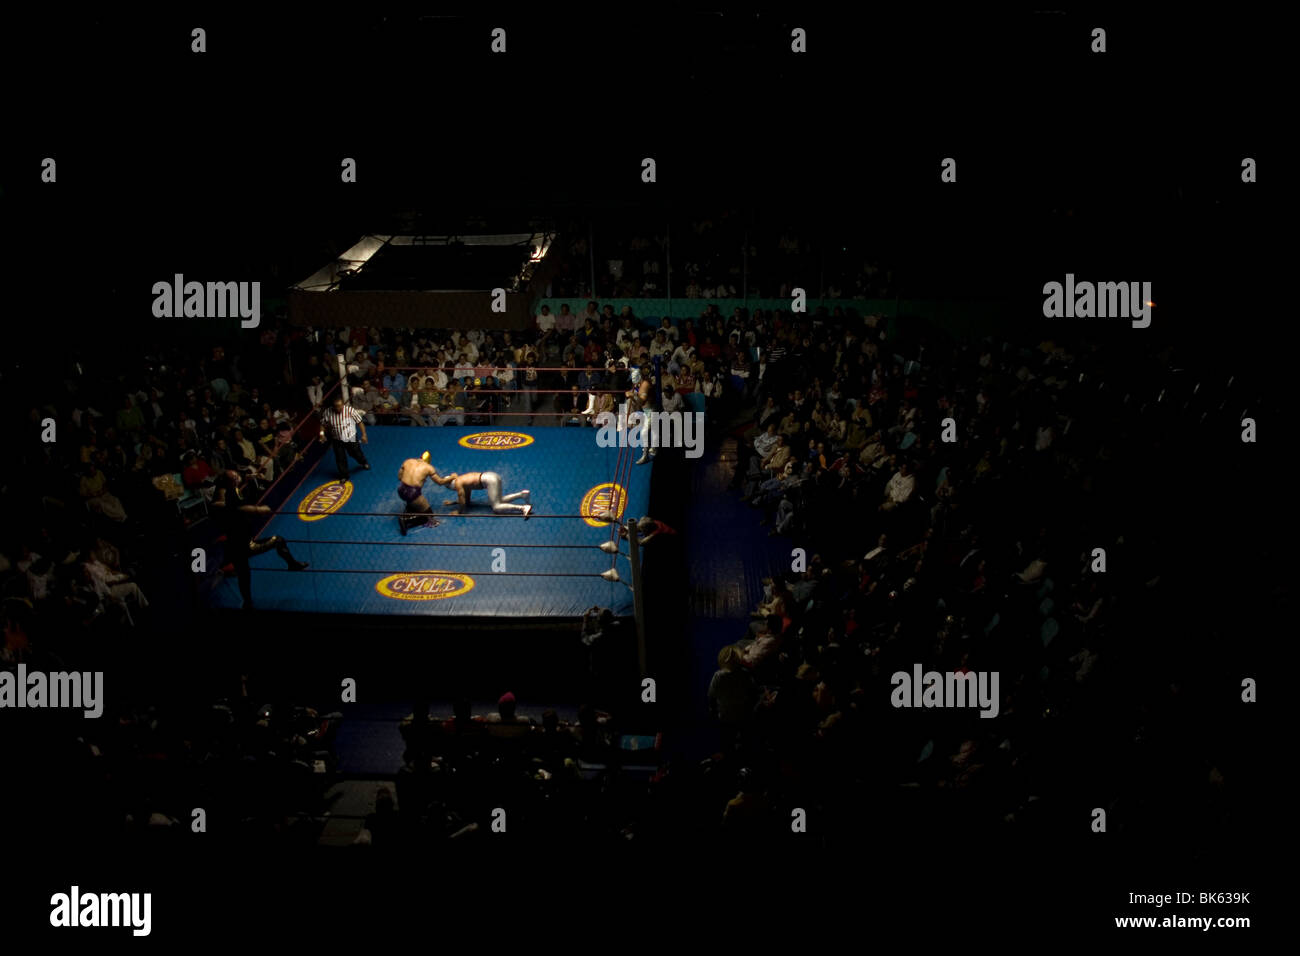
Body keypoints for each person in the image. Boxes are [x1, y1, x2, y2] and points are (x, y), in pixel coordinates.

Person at [212, 470, 309, 610]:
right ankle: (292, 564)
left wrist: (247, 480)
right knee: (278, 540)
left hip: (234, 544)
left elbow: (227, 503)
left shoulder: (227, 493)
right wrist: (258, 509)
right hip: (245, 544)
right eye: (235, 476)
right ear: (232, 481)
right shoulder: (232, 494)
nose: (238, 476)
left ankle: (247, 602)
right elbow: (240, 507)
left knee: (244, 574)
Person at [435, 469, 532, 518]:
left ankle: (522, 508)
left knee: (496, 508)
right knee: (499, 500)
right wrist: (454, 502)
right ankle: (522, 495)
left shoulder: (458, 484)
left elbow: (462, 499)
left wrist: (459, 512)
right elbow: (466, 500)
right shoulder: (461, 479)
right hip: (491, 475)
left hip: (489, 481)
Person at [320, 396, 370, 479]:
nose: (339, 408)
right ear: (333, 406)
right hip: (337, 439)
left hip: (350, 437)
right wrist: (322, 434)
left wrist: (364, 435)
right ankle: (344, 475)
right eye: (337, 406)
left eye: (340, 405)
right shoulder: (327, 412)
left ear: (343, 404)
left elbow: (360, 422)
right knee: (340, 457)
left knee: (355, 453)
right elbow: (322, 424)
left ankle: (363, 462)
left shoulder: (350, 410)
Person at [396, 452, 444, 535]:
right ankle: (406, 521)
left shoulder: (408, 461)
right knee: (429, 515)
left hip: (401, 490)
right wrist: (451, 478)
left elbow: (399, 477)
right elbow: (440, 482)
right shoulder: (429, 468)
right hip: (413, 493)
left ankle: (409, 509)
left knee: (412, 502)